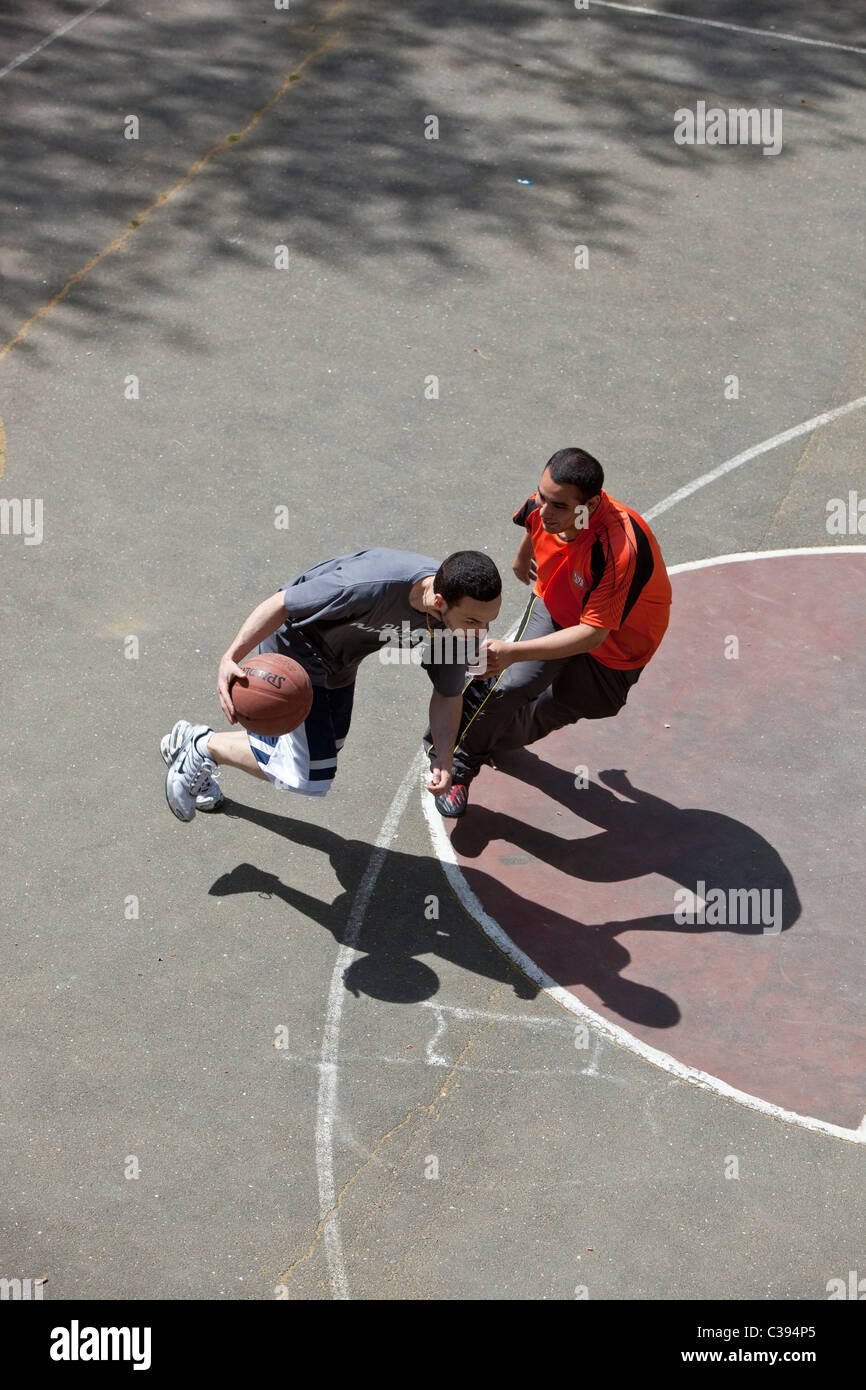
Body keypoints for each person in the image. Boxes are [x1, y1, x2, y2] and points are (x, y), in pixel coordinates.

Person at [163, 548, 501, 822]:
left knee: (326, 747)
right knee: (310, 774)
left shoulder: (458, 630)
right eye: (473, 620)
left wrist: (443, 757)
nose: (479, 631)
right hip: (293, 649)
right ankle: (203, 748)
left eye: (488, 621)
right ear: (439, 601)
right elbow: (280, 603)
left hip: (341, 659)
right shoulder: (365, 587)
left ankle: (193, 739)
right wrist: (230, 657)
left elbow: (447, 692)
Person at [428, 449, 672, 817]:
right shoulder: (545, 506)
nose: (544, 511)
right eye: (542, 496)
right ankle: (459, 759)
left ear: (588, 504)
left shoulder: (620, 549)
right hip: (558, 604)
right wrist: (523, 554)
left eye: (557, 505)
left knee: (586, 703)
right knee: (508, 685)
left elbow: (592, 635)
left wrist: (511, 651)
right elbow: (532, 519)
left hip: (617, 643)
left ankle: (483, 732)